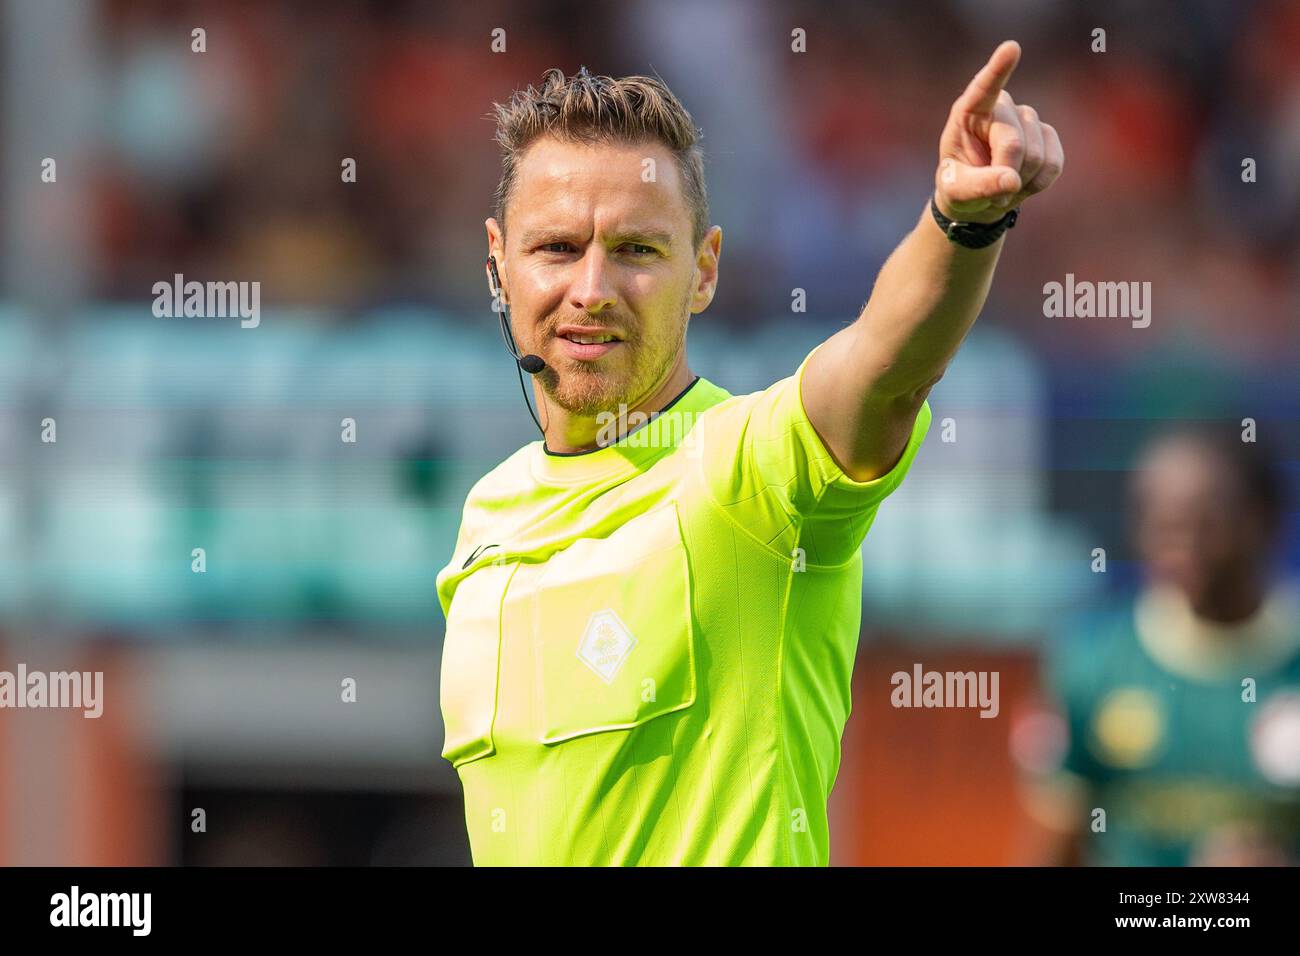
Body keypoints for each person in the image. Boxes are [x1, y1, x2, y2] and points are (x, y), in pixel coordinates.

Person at [437, 44, 1064, 865]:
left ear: (704, 271)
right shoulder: (485, 518)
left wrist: (963, 224)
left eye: (636, 251)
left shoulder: (748, 471)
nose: (591, 288)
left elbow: (882, 368)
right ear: (499, 264)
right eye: (556, 248)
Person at [1024, 425, 1300, 866]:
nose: (1176, 546)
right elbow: (1056, 847)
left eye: (1203, 523)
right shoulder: (1095, 663)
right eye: (1158, 523)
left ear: (1263, 519)